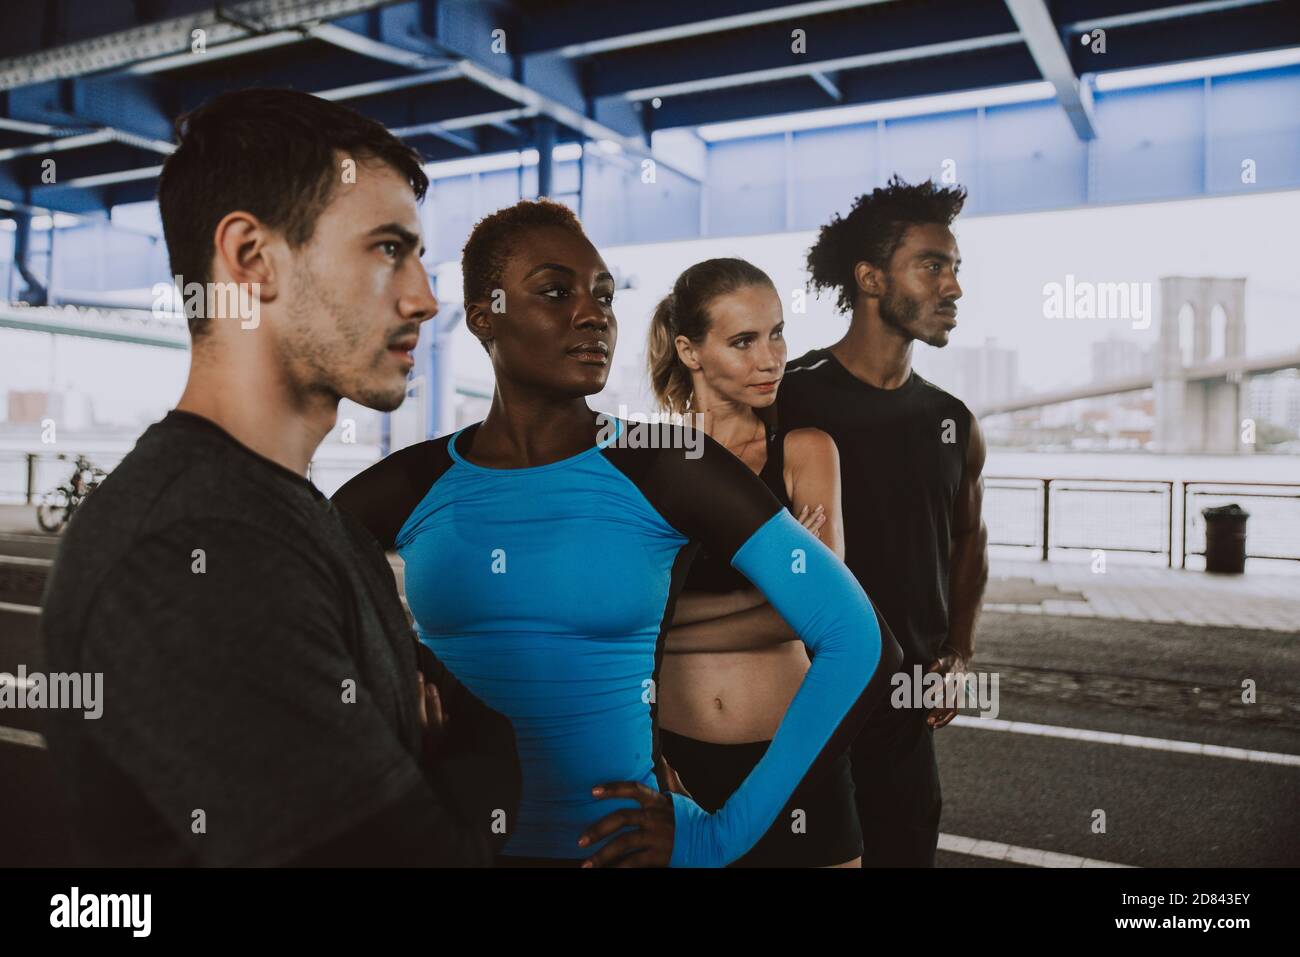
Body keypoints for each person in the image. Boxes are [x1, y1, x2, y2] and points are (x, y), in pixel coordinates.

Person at [331, 199, 903, 867]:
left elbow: (858, 641)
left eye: (603, 293)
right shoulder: (410, 481)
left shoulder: (669, 465)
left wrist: (718, 835)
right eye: (555, 291)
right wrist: (393, 693)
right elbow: (277, 612)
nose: (592, 312)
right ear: (484, 314)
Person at [40, 88, 519, 866]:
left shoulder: (317, 526)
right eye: (388, 249)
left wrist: (448, 769)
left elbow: (490, 729)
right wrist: (455, 771)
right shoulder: (195, 547)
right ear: (252, 259)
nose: (426, 299)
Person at [778, 175, 990, 867]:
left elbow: (968, 540)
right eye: (932, 265)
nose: (952, 287)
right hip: (803, 700)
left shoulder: (953, 421)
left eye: (955, 268)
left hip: (904, 708)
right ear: (870, 278)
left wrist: (957, 652)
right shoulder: (789, 399)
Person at [645, 257, 861, 867]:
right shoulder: (648, 459)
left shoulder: (805, 452)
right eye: (743, 341)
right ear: (690, 350)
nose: (771, 358)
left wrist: (666, 628)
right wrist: (761, 597)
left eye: (776, 333)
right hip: (675, 754)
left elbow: (814, 619)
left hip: (796, 753)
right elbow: (616, 619)